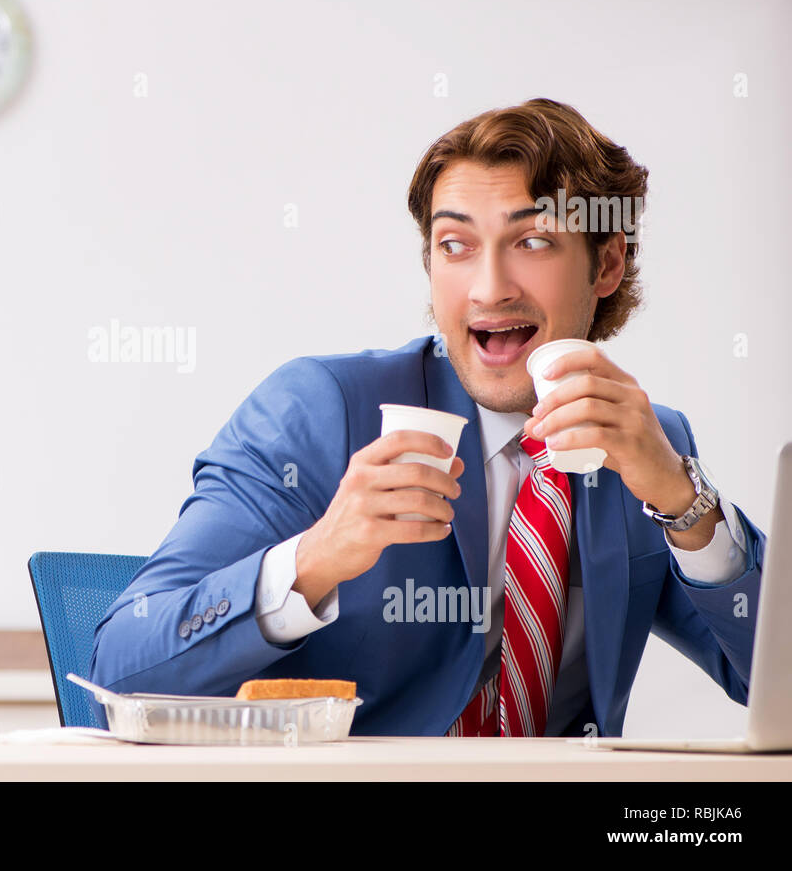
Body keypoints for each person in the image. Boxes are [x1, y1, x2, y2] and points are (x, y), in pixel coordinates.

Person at [89, 98, 765, 738]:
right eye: (455, 244)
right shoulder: (321, 409)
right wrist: (316, 558)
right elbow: (120, 668)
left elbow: (769, 677)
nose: (490, 286)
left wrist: (685, 501)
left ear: (607, 263)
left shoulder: (648, 445)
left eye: (531, 241)